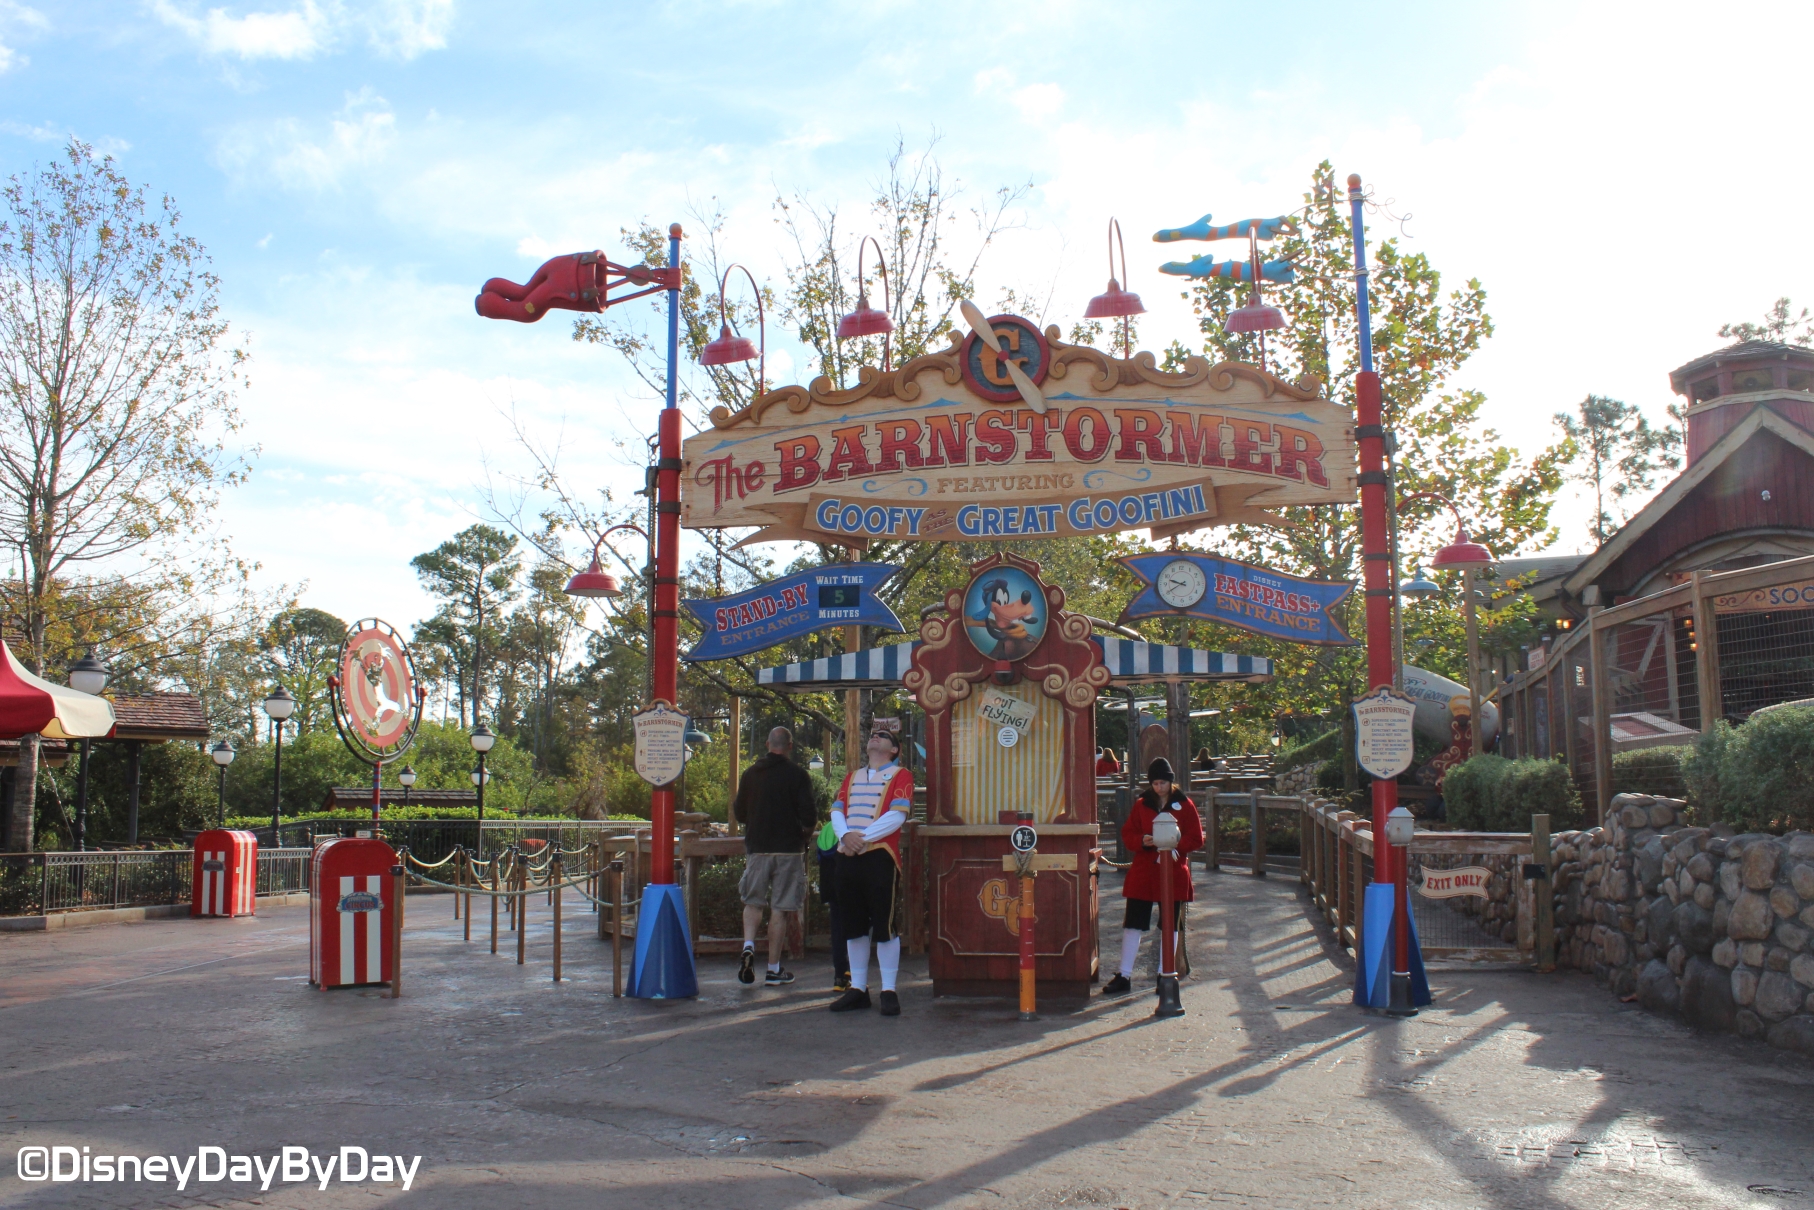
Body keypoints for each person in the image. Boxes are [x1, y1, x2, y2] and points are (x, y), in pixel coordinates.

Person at [828, 727, 915, 1016]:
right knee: (852, 926)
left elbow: (897, 815)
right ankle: (858, 989)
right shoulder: (851, 776)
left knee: (884, 924)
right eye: (874, 734)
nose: (875, 737)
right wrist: (845, 836)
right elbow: (837, 810)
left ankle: (888, 990)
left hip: (879, 856)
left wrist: (860, 838)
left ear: (894, 749)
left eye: (883, 736)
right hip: (847, 855)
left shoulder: (901, 775)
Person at [1104, 757, 1204, 997]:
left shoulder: (1185, 804)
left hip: (1173, 870)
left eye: (1163, 783)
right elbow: (1128, 833)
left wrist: (1176, 844)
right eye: (1155, 783)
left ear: (1171, 782)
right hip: (1144, 871)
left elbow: (1196, 837)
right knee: (1133, 923)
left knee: (1171, 924)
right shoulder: (1142, 804)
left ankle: (1165, 974)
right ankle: (1124, 974)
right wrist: (1142, 841)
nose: (1159, 787)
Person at [732, 726, 818, 987]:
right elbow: (809, 816)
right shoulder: (798, 775)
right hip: (789, 849)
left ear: (768, 744)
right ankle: (773, 969)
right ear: (790, 746)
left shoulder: (750, 774)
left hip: (758, 847)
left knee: (753, 902)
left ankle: (748, 945)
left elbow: (739, 813)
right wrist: (804, 836)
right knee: (780, 909)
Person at [815, 817, 852, 992]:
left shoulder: (827, 829)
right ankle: (853, 972)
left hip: (830, 884)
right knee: (857, 926)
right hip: (849, 881)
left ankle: (839, 976)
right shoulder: (852, 826)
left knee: (837, 928)